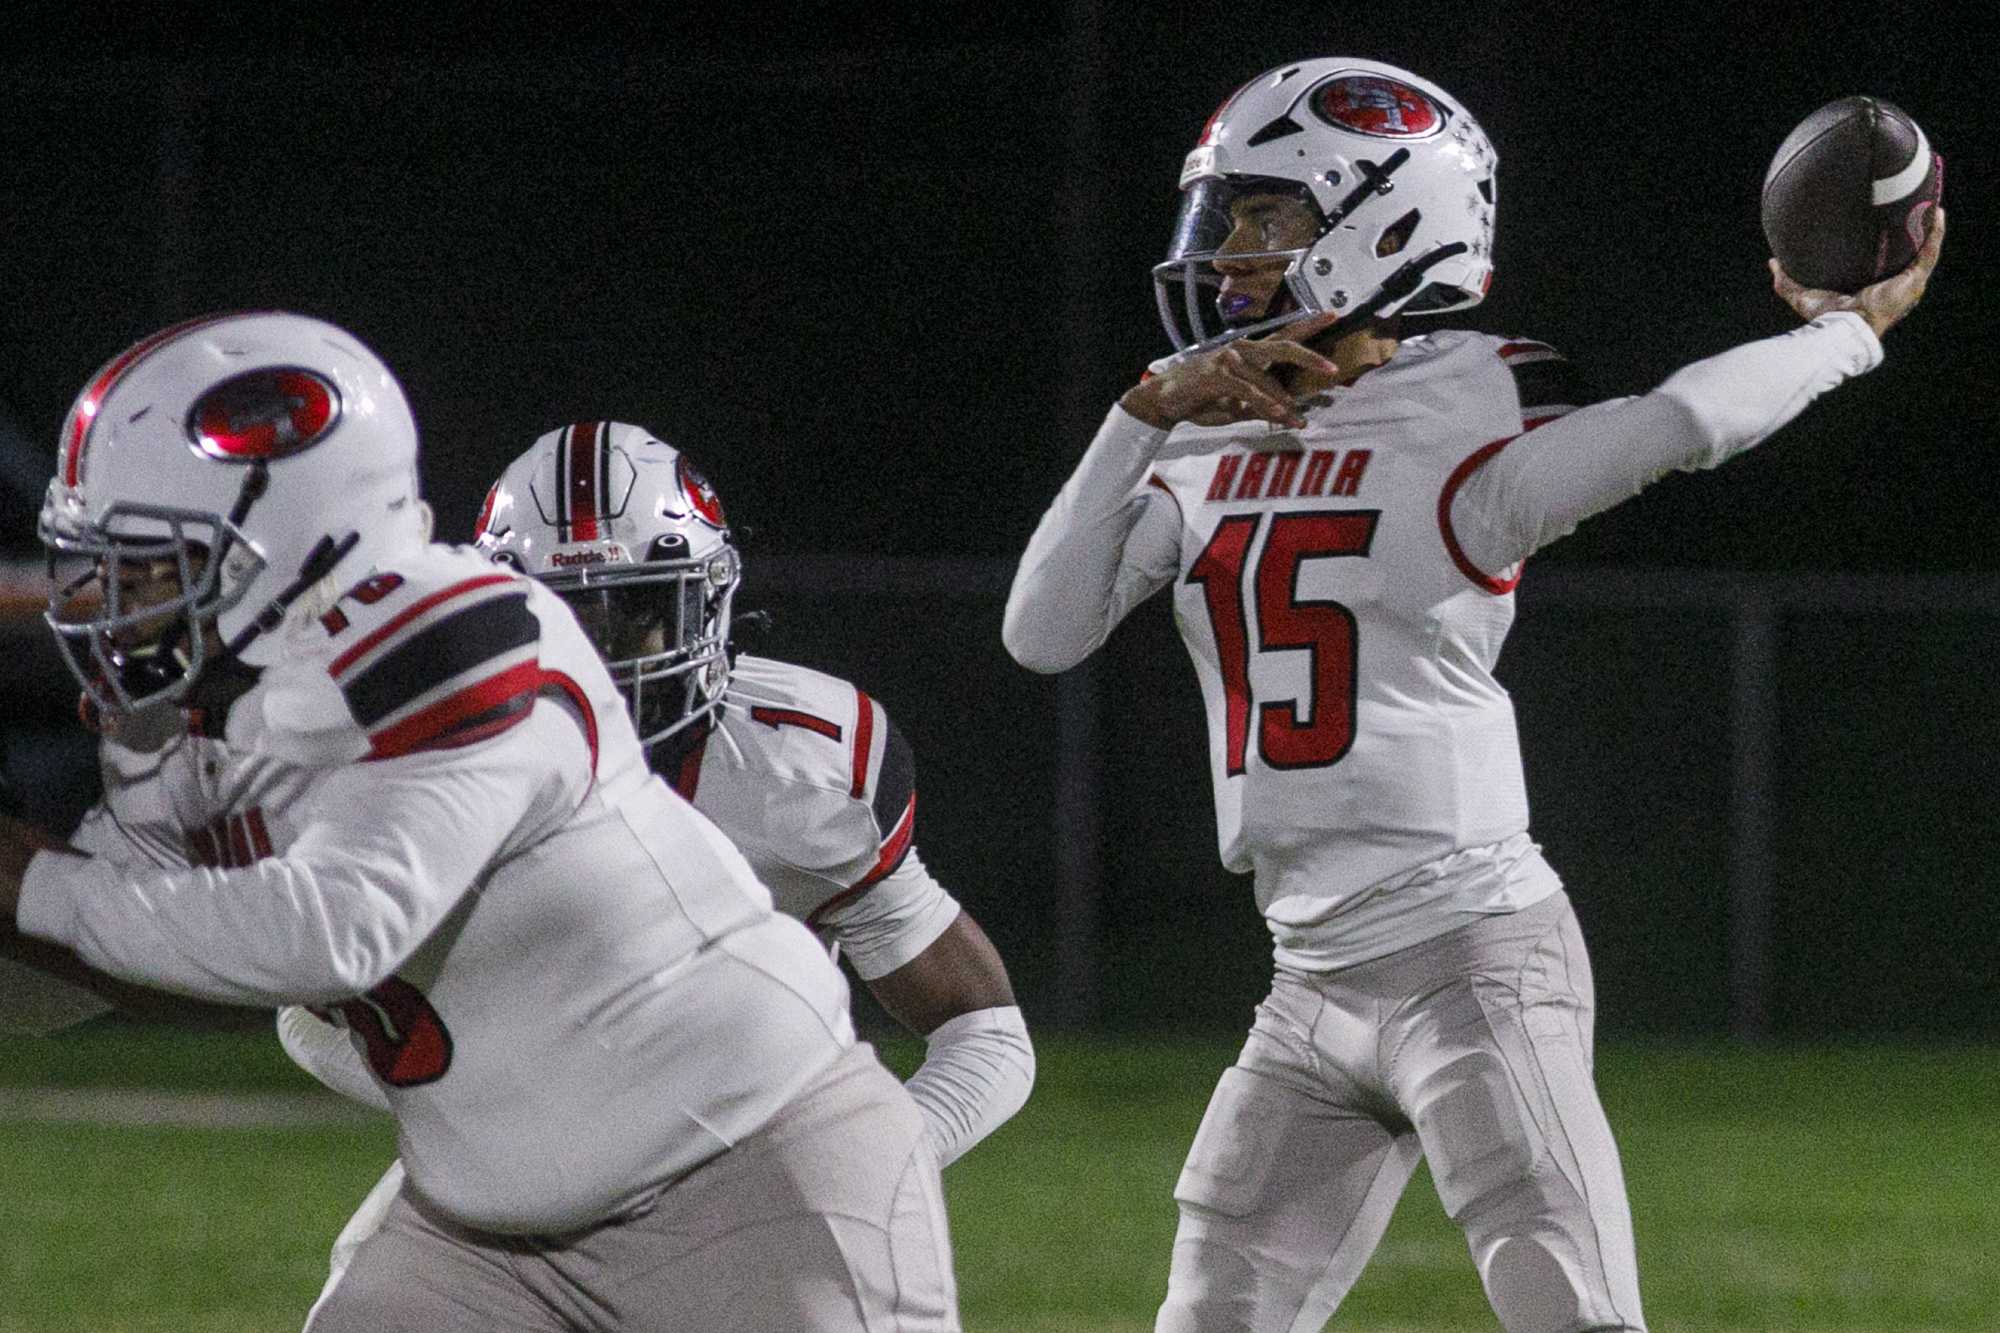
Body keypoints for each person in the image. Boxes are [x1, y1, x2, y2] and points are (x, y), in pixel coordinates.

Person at [1003, 58, 1940, 1333]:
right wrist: (1138, 412)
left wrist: (1844, 332)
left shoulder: (1469, 398)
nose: (1227, 253)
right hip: (1305, 980)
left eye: (1265, 214)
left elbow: (1678, 422)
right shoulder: (1203, 431)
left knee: (1574, 1314)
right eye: (1226, 217)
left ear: (1385, 217)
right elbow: (1043, 632)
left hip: (1473, 961)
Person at [0, 313, 960, 1333]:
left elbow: (328, 930)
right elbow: (134, 939)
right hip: (482, 1233)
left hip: (751, 1172)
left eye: (146, 560)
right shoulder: (191, 712)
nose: (105, 595)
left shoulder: (467, 631)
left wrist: (27, 882)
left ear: (283, 539)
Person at [281, 420, 1035, 1323]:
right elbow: (310, 1008)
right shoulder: (423, 770)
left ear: (706, 605)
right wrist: (494, 1116)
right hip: (517, 1184)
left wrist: (870, 1150)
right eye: (562, 614)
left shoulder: (801, 770)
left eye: (633, 612)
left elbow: (984, 1030)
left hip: (755, 1168)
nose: (597, 654)